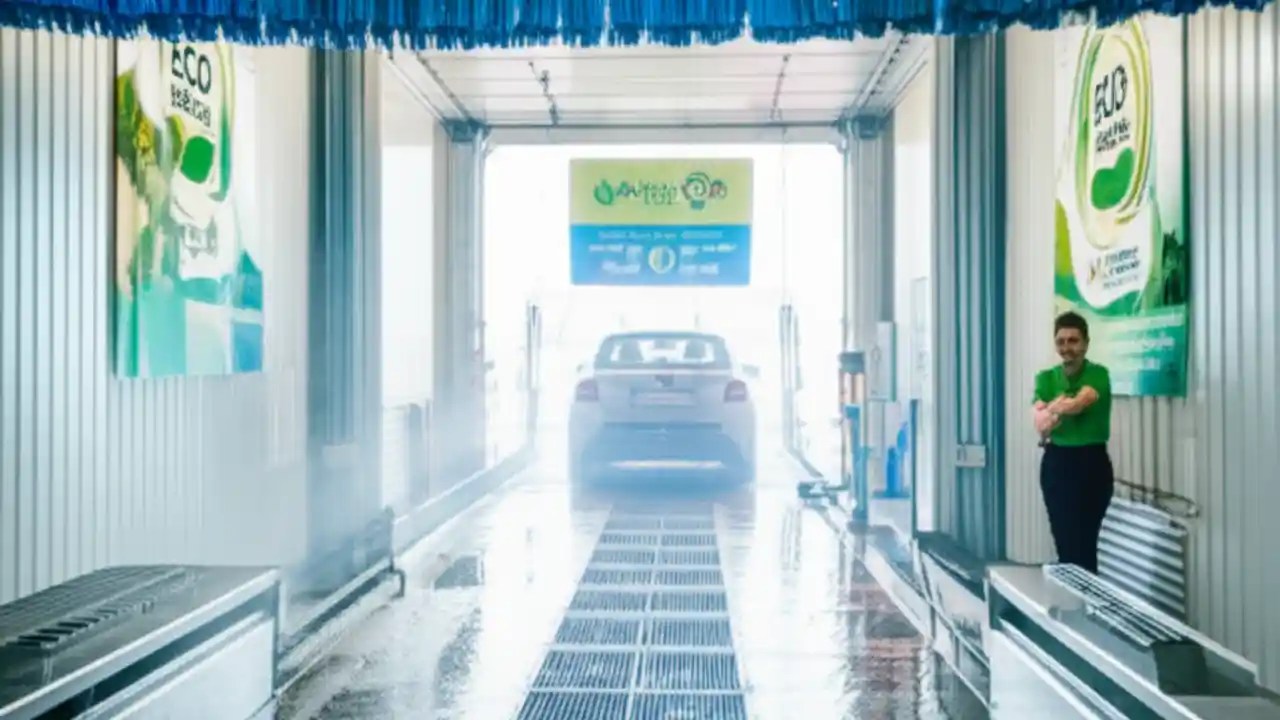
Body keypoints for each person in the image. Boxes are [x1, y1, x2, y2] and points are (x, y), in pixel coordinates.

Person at [1033, 311, 1114, 574]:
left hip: (1092, 465)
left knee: (1086, 543)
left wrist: (1054, 408)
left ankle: (1087, 605)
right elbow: (1040, 421)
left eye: (1073, 340)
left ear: (1086, 343)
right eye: (1061, 341)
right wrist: (1050, 413)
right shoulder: (1045, 377)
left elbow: (1081, 402)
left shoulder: (1099, 373)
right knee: (1065, 541)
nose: (1067, 347)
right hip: (1058, 463)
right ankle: (1070, 604)